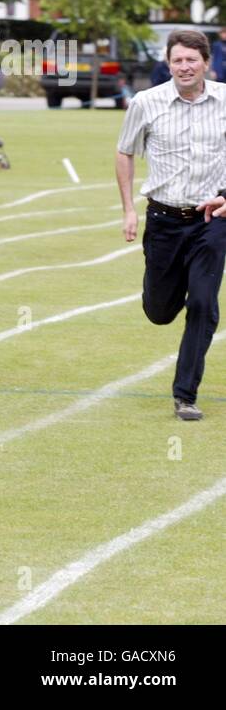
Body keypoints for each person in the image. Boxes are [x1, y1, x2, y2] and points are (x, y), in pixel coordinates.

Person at [116, 29, 226, 422]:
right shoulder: (147, 102)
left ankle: (185, 394)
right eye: (178, 60)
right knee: (160, 310)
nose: (184, 67)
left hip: (211, 218)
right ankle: (165, 293)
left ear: (205, 63)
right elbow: (125, 152)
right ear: (168, 62)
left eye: (192, 60)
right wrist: (129, 208)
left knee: (203, 303)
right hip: (162, 218)